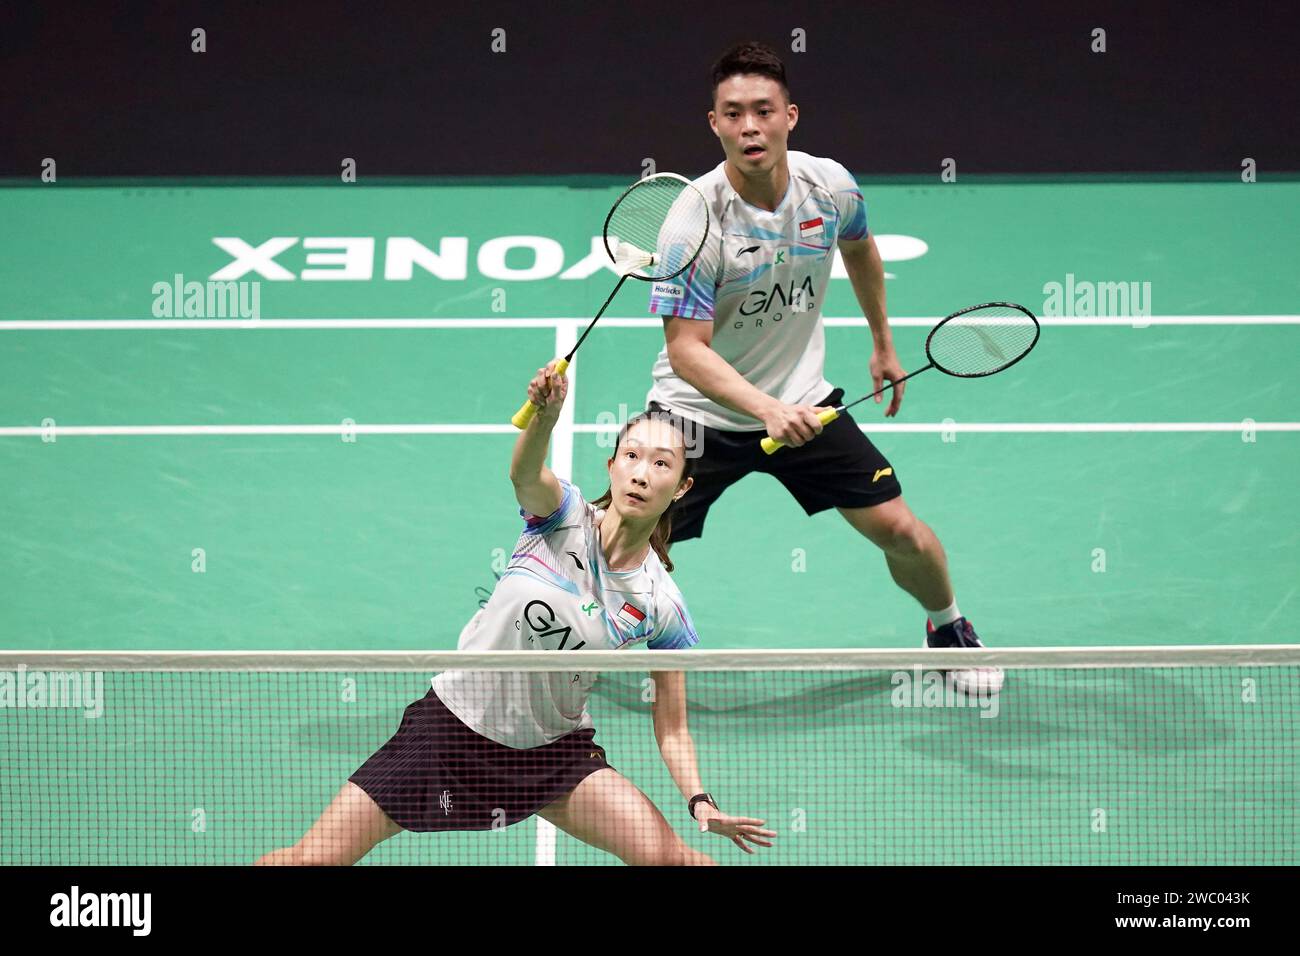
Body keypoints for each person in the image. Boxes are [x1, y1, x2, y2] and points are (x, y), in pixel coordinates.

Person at [256, 363, 776, 866]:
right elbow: (523, 471)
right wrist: (544, 416)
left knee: (672, 859)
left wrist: (700, 801)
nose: (642, 473)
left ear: (682, 487)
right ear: (612, 466)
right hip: (450, 733)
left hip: (552, 756)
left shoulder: (662, 603)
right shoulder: (562, 518)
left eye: (662, 463)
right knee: (312, 859)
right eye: (633, 456)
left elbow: (673, 724)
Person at [645, 41, 1001, 693]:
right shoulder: (692, 223)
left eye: (762, 110)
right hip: (698, 414)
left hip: (804, 400)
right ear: (714, 123)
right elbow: (685, 351)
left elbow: (861, 250)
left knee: (900, 529)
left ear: (791, 116)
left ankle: (947, 628)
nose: (749, 126)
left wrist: (882, 341)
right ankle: (548, 621)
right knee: (629, 545)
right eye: (733, 113)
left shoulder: (829, 186)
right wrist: (766, 411)